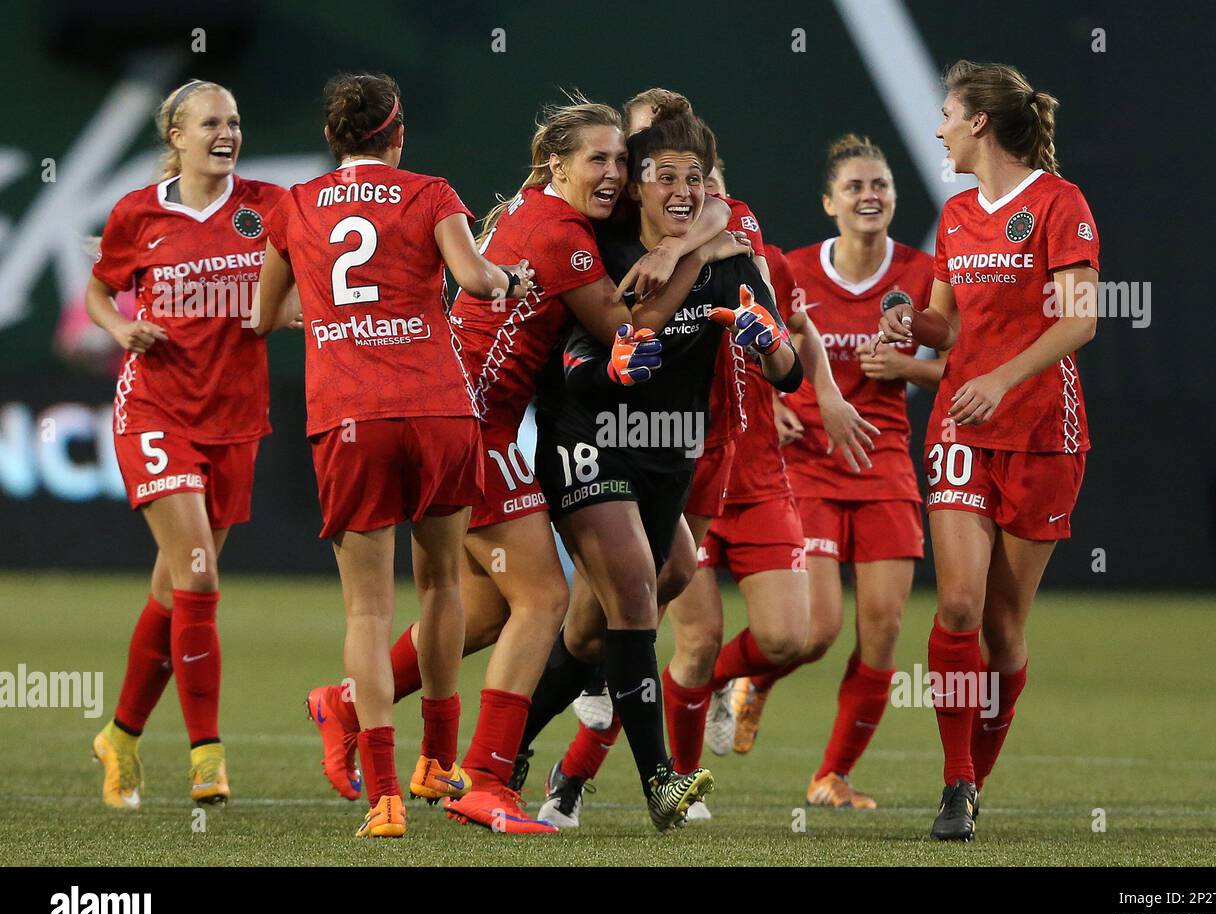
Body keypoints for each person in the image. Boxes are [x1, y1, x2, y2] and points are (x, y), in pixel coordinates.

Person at [300, 98, 741, 833]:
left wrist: (685, 235)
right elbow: (626, 329)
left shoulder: (533, 210)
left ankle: (344, 704)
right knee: (543, 601)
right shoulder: (561, 229)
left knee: (480, 613)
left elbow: (721, 205)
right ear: (556, 163)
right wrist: (689, 252)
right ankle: (486, 780)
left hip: (465, 410)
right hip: (474, 423)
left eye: (618, 162)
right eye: (597, 160)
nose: (612, 174)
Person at [539, 166, 874, 829]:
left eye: (711, 184)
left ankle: (713, 691)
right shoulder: (640, 266)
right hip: (670, 463)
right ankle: (581, 780)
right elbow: (604, 345)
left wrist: (820, 391)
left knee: (791, 634)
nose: (698, 198)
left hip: (752, 470)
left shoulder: (756, 257)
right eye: (680, 184)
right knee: (662, 636)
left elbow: (795, 335)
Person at [258, 72, 532, 838]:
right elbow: (474, 278)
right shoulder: (431, 192)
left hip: (350, 414)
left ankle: (384, 798)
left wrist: (333, 312)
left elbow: (260, 316)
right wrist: (511, 278)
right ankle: (438, 761)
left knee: (368, 609)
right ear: (397, 130)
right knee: (444, 583)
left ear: (331, 136)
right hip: (439, 405)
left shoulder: (295, 204)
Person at [875, 61, 1098, 840]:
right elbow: (946, 324)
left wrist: (1003, 378)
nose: (937, 128)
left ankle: (977, 780)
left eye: (946, 114)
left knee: (1004, 630)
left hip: (1040, 433)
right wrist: (907, 320)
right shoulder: (958, 214)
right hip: (962, 426)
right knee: (960, 605)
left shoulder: (1058, 205)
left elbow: (1079, 322)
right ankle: (955, 783)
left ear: (979, 123)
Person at [87, 79, 293, 809]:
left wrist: (294, 312)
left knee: (173, 589)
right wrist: (119, 329)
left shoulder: (270, 207)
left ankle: (119, 737)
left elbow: (298, 288)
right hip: (154, 413)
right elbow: (99, 291)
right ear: (176, 136)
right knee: (200, 578)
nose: (226, 132)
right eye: (210, 122)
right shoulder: (139, 213)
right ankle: (208, 755)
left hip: (236, 420)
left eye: (234, 121)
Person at [729, 135, 942, 811]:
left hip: (883, 463)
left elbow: (962, 357)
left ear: (894, 197)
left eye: (879, 185)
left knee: (882, 628)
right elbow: (745, 345)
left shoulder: (923, 271)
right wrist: (770, 402)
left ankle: (832, 776)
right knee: (815, 631)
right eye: (854, 187)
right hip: (808, 466)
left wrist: (910, 370)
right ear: (829, 202)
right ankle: (725, 676)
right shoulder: (791, 268)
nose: (869, 196)